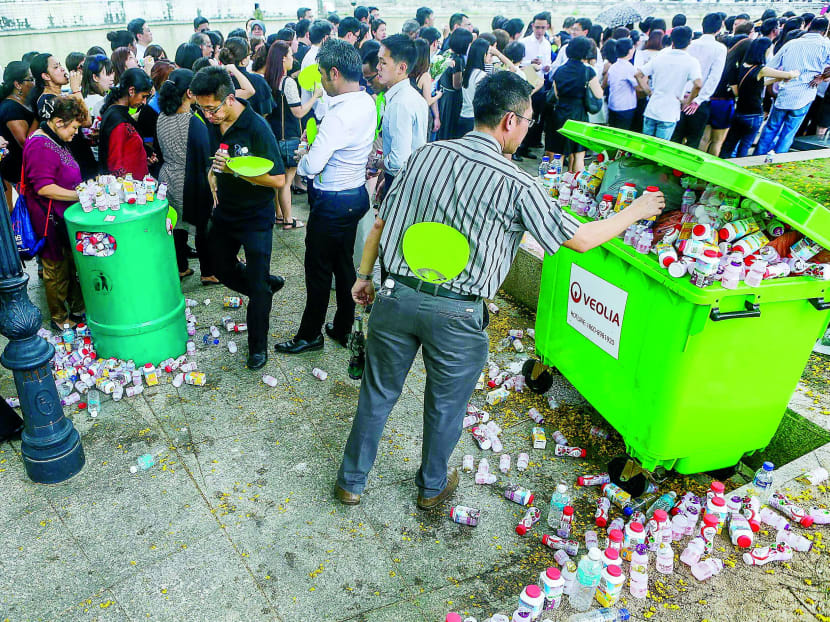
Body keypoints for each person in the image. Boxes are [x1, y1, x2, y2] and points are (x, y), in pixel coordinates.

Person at [334, 70, 665, 508]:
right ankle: (432, 488)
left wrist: (363, 276)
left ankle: (351, 482)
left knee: (377, 395)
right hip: (457, 314)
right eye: (528, 120)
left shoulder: (423, 156)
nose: (528, 128)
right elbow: (581, 239)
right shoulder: (517, 183)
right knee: (445, 407)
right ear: (510, 120)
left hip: (396, 295)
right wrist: (637, 210)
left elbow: (380, 222)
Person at [275, 39, 375, 355]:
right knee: (343, 264)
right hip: (355, 194)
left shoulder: (339, 115)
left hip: (332, 201)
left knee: (318, 271)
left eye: (321, 74)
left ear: (334, 73)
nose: (319, 81)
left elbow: (312, 166)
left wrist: (305, 157)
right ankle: (343, 326)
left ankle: (310, 334)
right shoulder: (366, 101)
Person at [190, 66, 286, 370]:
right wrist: (213, 172)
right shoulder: (212, 123)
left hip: (255, 215)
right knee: (220, 266)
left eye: (211, 108)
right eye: (201, 108)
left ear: (230, 99)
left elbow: (279, 180)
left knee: (257, 288)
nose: (207, 115)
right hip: (225, 213)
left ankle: (258, 347)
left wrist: (236, 171)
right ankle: (264, 285)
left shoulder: (256, 128)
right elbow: (217, 156)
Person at [22, 96, 87, 330]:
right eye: (74, 127)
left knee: (70, 264)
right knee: (56, 269)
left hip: (61, 217)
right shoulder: (40, 144)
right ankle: (59, 318)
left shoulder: (54, 137)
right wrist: (79, 195)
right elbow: (43, 187)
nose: (76, 133)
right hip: (48, 219)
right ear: (59, 122)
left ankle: (77, 309)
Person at [157, 68, 216, 283]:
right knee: (203, 225)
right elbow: (204, 157)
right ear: (190, 93)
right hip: (189, 179)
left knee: (177, 226)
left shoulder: (162, 117)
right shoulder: (192, 122)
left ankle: (181, 267)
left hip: (166, 177)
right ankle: (209, 272)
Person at [265, 40, 322, 230]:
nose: (293, 59)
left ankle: (279, 215)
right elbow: (298, 112)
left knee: (277, 181)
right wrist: (315, 96)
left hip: (273, 137)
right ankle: (289, 219)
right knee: (286, 181)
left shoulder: (267, 79)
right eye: (290, 55)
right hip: (288, 137)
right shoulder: (287, 82)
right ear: (283, 58)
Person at [756, 17, 830, 154]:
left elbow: (770, 67)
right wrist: (823, 77)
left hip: (785, 92)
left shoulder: (792, 43)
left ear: (809, 27)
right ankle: (777, 161)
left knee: (771, 128)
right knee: (788, 133)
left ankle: (757, 158)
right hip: (805, 94)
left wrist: (783, 76)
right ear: (825, 31)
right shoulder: (826, 44)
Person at [719, 38, 799, 158]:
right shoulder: (761, 69)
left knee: (729, 145)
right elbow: (788, 74)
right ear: (764, 50)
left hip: (739, 113)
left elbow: (755, 84)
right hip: (753, 114)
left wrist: (776, 80)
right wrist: (795, 73)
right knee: (744, 147)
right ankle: (740, 169)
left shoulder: (743, 66)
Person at [374, 34, 428, 204]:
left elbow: (398, 161)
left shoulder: (400, 103)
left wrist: (376, 163)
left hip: (401, 182)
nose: (378, 67)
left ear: (402, 68)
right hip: (410, 178)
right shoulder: (412, 96)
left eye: (383, 63)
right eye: (378, 61)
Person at [29, 53, 96, 180]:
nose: (62, 69)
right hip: (73, 164)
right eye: (56, 67)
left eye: (60, 65)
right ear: (46, 76)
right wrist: (76, 89)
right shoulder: (47, 101)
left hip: (83, 158)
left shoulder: (62, 97)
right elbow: (86, 121)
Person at [546, 37, 603, 172]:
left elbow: (556, 94)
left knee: (558, 154)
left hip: (560, 113)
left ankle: (554, 185)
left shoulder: (559, 70)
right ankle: (576, 188)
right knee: (578, 156)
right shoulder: (588, 71)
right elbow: (599, 94)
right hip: (578, 115)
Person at [671, 14, 727, 150]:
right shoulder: (720, 48)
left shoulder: (691, 44)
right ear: (719, 29)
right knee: (693, 140)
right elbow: (714, 77)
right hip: (699, 100)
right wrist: (699, 100)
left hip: (681, 96)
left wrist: (682, 94)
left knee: (675, 137)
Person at [636, 26, 703, 140]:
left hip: (652, 108)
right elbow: (698, 84)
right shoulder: (691, 62)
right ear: (690, 41)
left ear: (672, 40)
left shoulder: (660, 57)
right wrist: (688, 101)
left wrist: (648, 91)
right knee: (660, 149)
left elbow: (638, 74)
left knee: (645, 147)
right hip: (670, 111)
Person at [98, 68, 154, 178]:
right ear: (131, 91)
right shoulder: (119, 122)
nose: (144, 102)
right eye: (143, 96)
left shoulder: (116, 112)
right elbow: (116, 166)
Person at [0, 62, 35, 207]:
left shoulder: (23, 103)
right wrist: (39, 118)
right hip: (19, 171)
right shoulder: (10, 108)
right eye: (30, 79)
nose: (34, 83)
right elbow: (25, 142)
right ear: (18, 85)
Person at [219, 37, 273, 117]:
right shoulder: (258, 81)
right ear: (243, 61)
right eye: (249, 54)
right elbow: (266, 111)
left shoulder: (218, 81)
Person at [436, 28, 473, 140]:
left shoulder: (444, 52)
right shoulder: (458, 60)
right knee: (449, 126)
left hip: (442, 94)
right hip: (452, 98)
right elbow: (456, 84)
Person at [301, 20, 333, 120]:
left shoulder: (312, 55)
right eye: (331, 35)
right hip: (316, 114)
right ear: (325, 38)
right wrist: (324, 117)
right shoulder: (314, 59)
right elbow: (319, 92)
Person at [459, 38, 491, 136]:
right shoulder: (481, 75)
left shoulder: (467, 72)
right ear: (483, 54)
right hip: (475, 119)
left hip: (463, 115)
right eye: (490, 53)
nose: (491, 57)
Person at [410, 38, 441, 137]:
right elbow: (427, 101)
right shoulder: (424, 76)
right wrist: (438, 95)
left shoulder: (407, 71)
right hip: (421, 116)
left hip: (410, 113)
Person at [606, 38, 639, 130]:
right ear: (629, 51)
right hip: (625, 107)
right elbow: (638, 87)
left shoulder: (613, 66)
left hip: (613, 104)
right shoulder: (629, 68)